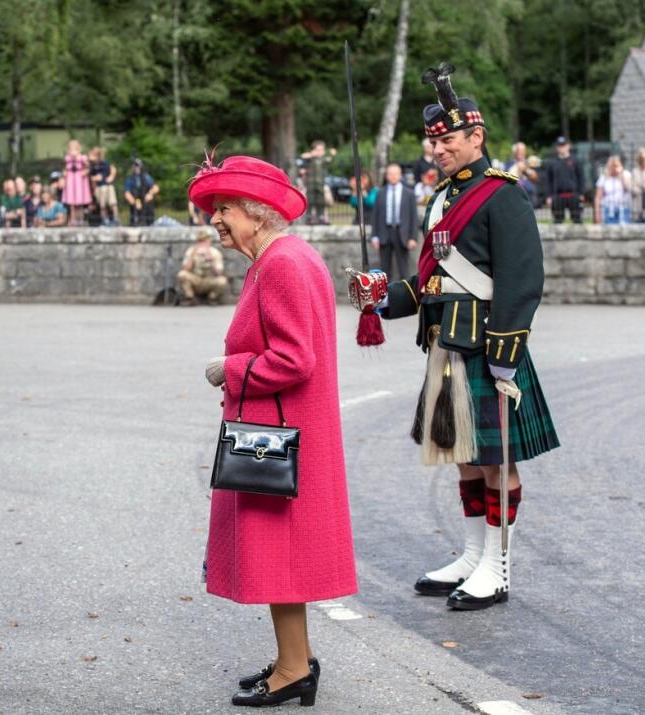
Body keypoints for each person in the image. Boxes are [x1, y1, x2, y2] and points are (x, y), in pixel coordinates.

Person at [380, 65, 559, 611]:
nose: (438, 150)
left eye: (448, 140)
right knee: (463, 455)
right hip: (445, 342)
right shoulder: (441, 197)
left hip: (486, 345)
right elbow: (432, 278)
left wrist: (506, 353)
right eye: (433, 141)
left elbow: (522, 278)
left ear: (476, 137)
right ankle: (472, 554)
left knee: (496, 460)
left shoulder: (501, 195)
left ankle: (497, 569)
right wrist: (384, 298)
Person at [189, 155, 357, 707]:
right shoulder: (281, 257)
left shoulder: (282, 262)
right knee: (282, 556)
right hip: (285, 428)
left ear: (258, 214)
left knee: (280, 557)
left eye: (225, 209)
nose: (215, 219)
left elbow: (294, 357)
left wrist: (229, 369)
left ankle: (293, 671)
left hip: (279, 433)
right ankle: (294, 660)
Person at [372, 163, 420, 281]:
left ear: (400, 175)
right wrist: (374, 236)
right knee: (384, 270)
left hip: (402, 233)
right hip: (385, 232)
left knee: (404, 269)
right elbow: (375, 215)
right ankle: (385, 297)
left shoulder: (409, 193)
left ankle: (404, 296)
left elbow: (414, 216)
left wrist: (413, 237)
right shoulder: (381, 193)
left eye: (396, 174)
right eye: (390, 174)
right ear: (387, 176)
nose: (393, 176)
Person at [176, 229, 228, 305]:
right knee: (182, 274)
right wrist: (192, 256)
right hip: (196, 279)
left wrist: (211, 260)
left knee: (222, 281)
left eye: (204, 241)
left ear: (208, 242)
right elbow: (185, 269)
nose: (202, 244)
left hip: (209, 280)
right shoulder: (191, 251)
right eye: (200, 241)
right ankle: (189, 297)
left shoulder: (215, 252)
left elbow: (219, 273)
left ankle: (212, 298)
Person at [545, 136, 584, 223]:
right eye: (560, 146)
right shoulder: (552, 163)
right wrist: (549, 196)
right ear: (557, 147)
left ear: (568, 146)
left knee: (577, 219)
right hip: (558, 196)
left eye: (563, 145)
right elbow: (548, 181)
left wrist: (581, 193)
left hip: (573, 194)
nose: (562, 148)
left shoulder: (575, 160)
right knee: (557, 220)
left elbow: (581, 178)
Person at [300, 140, 335, 225]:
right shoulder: (309, 159)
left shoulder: (323, 160)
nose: (320, 152)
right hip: (310, 184)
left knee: (320, 201)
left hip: (320, 184)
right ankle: (308, 217)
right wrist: (311, 155)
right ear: (313, 150)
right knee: (310, 200)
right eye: (318, 150)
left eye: (322, 150)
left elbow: (329, 160)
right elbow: (302, 157)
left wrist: (331, 154)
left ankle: (321, 216)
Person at [594, 155, 632, 225]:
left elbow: (628, 189)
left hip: (623, 208)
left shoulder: (626, 174)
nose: (614, 168)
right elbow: (598, 197)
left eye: (616, 165)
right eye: (612, 166)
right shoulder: (603, 177)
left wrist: (620, 175)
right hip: (608, 209)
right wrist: (597, 214)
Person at [62, 139, 92, 226]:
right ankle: (72, 219)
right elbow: (65, 168)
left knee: (80, 200)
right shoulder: (67, 158)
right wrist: (64, 175)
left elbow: (88, 167)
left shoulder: (82, 157)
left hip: (79, 180)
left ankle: (80, 219)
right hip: (71, 179)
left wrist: (85, 171)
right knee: (71, 201)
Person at [89, 146, 119, 226]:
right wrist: (95, 178)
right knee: (102, 205)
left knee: (112, 203)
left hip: (107, 186)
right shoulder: (92, 166)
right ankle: (105, 220)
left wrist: (111, 177)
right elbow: (91, 176)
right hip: (99, 187)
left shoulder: (105, 163)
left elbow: (112, 170)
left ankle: (116, 219)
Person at [124, 159, 158, 226]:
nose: (136, 167)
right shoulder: (130, 179)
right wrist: (134, 202)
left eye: (138, 165)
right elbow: (126, 192)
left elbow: (156, 188)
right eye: (135, 165)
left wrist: (150, 194)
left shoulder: (146, 177)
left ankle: (149, 222)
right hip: (136, 200)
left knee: (148, 201)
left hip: (145, 199)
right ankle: (136, 222)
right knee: (137, 205)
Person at [505, 142, 538, 207]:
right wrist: (517, 166)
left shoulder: (529, 163)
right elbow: (506, 177)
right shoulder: (509, 164)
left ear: (525, 152)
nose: (520, 152)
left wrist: (525, 171)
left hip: (529, 196)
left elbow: (535, 178)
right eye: (518, 150)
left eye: (522, 150)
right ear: (514, 152)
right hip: (514, 196)